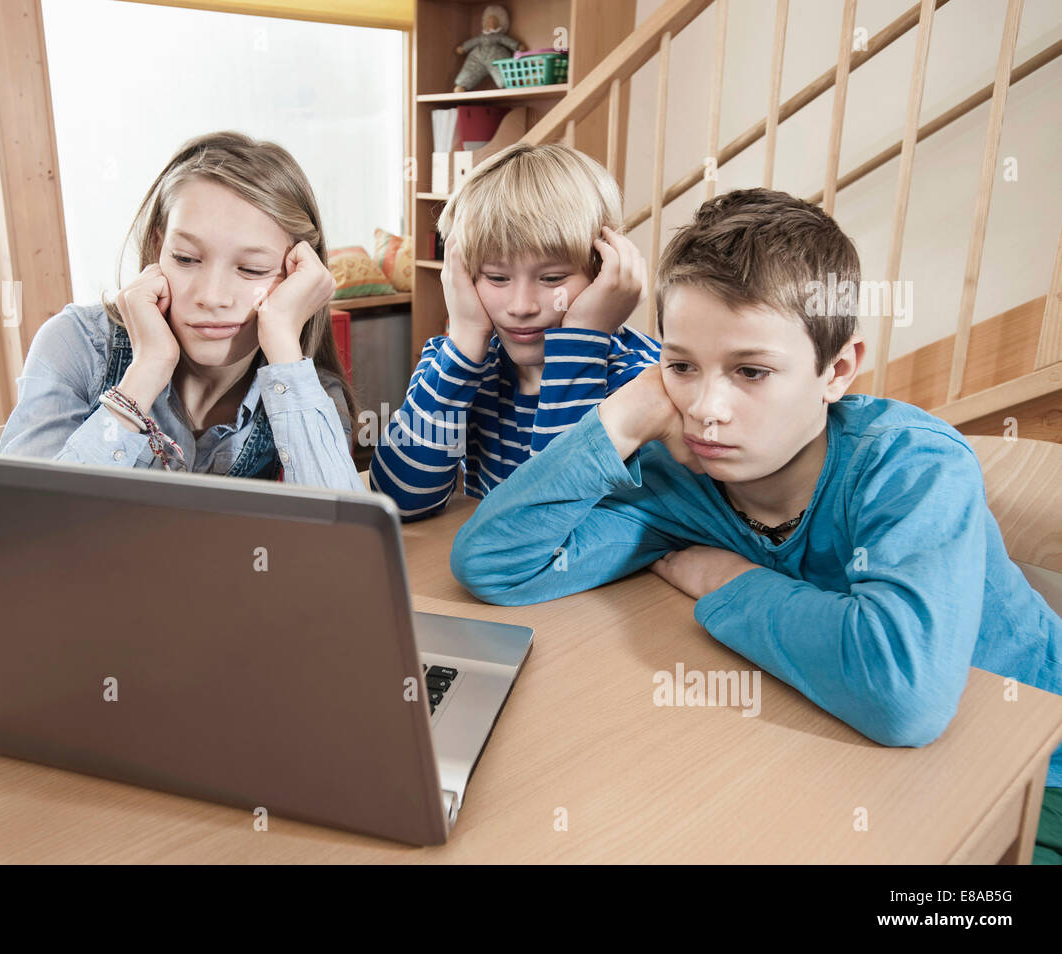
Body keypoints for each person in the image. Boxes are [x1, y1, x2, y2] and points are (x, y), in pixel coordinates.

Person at [449, 188, 1062, 862]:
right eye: (682, 366)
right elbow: (496, 563)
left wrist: (727, 579)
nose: (707, 409)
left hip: (1038, 769)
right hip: (873, 777)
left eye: (751, 371)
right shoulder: (684, 481)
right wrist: (626, 416)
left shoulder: (912, 463)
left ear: (838, 371)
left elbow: (902, 693)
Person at [0, 131, 363, 492]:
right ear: (159, 246)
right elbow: (24, 524)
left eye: (251, 269)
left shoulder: (306, 391)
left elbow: (344, 543)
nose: (211, 296)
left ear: (299, 274)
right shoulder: (76, 345)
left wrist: (284, 345)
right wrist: (147, 370)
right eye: (186, 259)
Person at [368, 141, 660, 520]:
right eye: (496, 277)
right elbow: (399, 501)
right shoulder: (458, 361)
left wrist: (583, 338)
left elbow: (548, 521)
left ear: (605, 267)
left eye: (552, 277)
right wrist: (466, 338)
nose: (521, 306)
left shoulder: (641, 379)